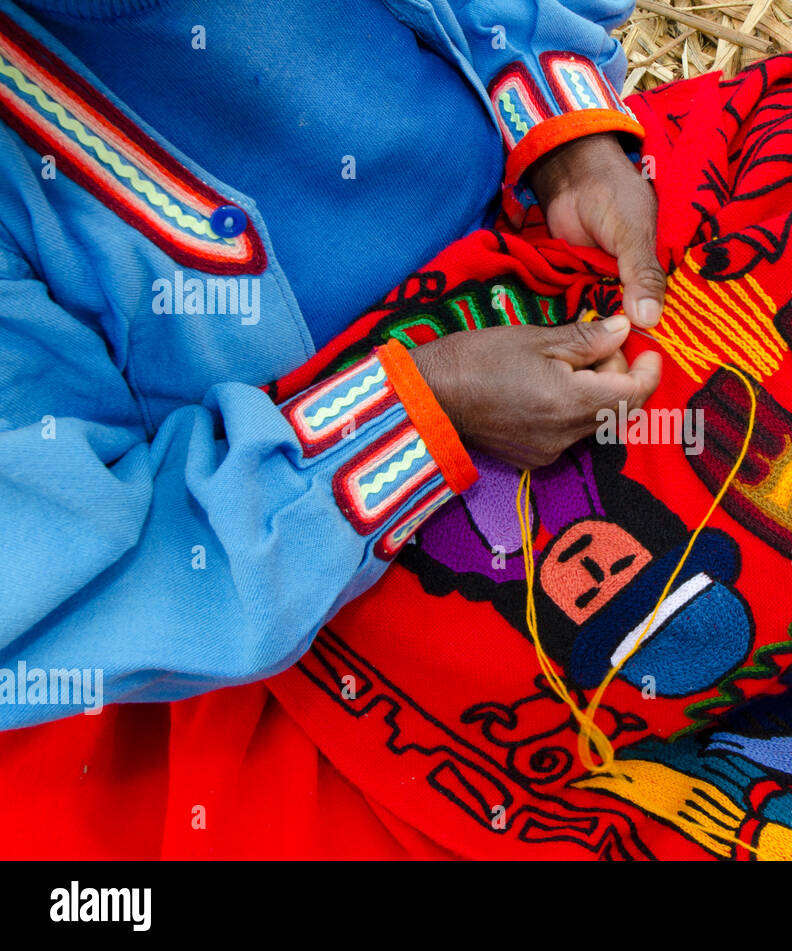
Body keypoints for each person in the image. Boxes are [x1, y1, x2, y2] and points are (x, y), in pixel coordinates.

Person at [0, 0, 662, 728]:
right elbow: (71, 578)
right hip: (323, 547)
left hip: (546, 221)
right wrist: (429, 408)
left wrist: (569, 143)